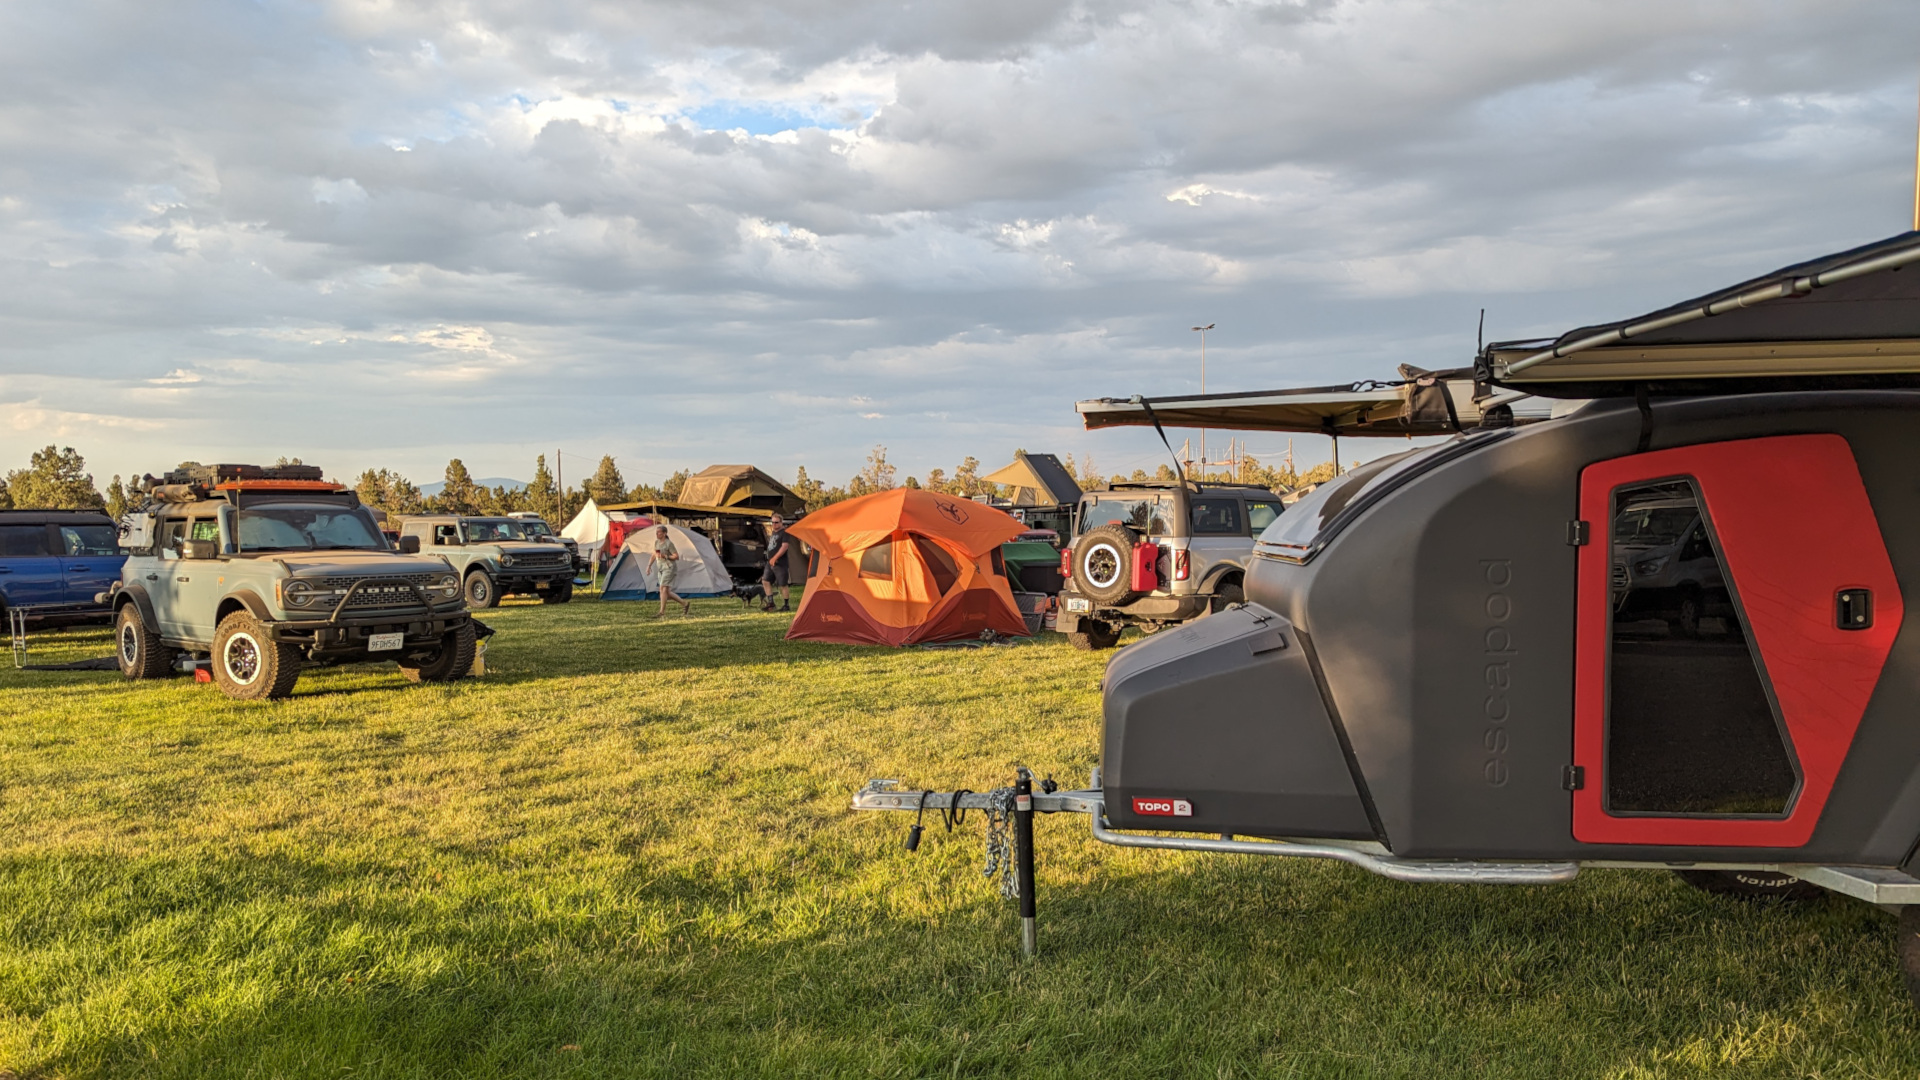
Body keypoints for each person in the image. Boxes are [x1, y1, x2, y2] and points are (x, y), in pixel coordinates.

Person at [646, 525, 691, 617]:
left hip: (669, 567)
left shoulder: (669, 543)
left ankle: (661, 612)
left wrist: (666, 556)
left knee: (663, 588)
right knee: (666, 592)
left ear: (664, 533)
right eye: (656, 532)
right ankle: (684, 603)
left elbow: (676, 556)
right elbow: (654, 554)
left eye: (659, 532)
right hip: (660, 568)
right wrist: (649, 565)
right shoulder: (656, 543)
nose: (657, 534)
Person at [760, 512, 793, 612]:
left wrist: (775, 558)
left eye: (776, 522)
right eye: (772, 522)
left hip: (780, 563)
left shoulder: (785, 532)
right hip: (770, 562)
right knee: (765, 581)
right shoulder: (774, 532)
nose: (774, 524)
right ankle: (771, 603)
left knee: (783, 584)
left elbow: (784, 547)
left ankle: (786, 605)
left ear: (781, 522)